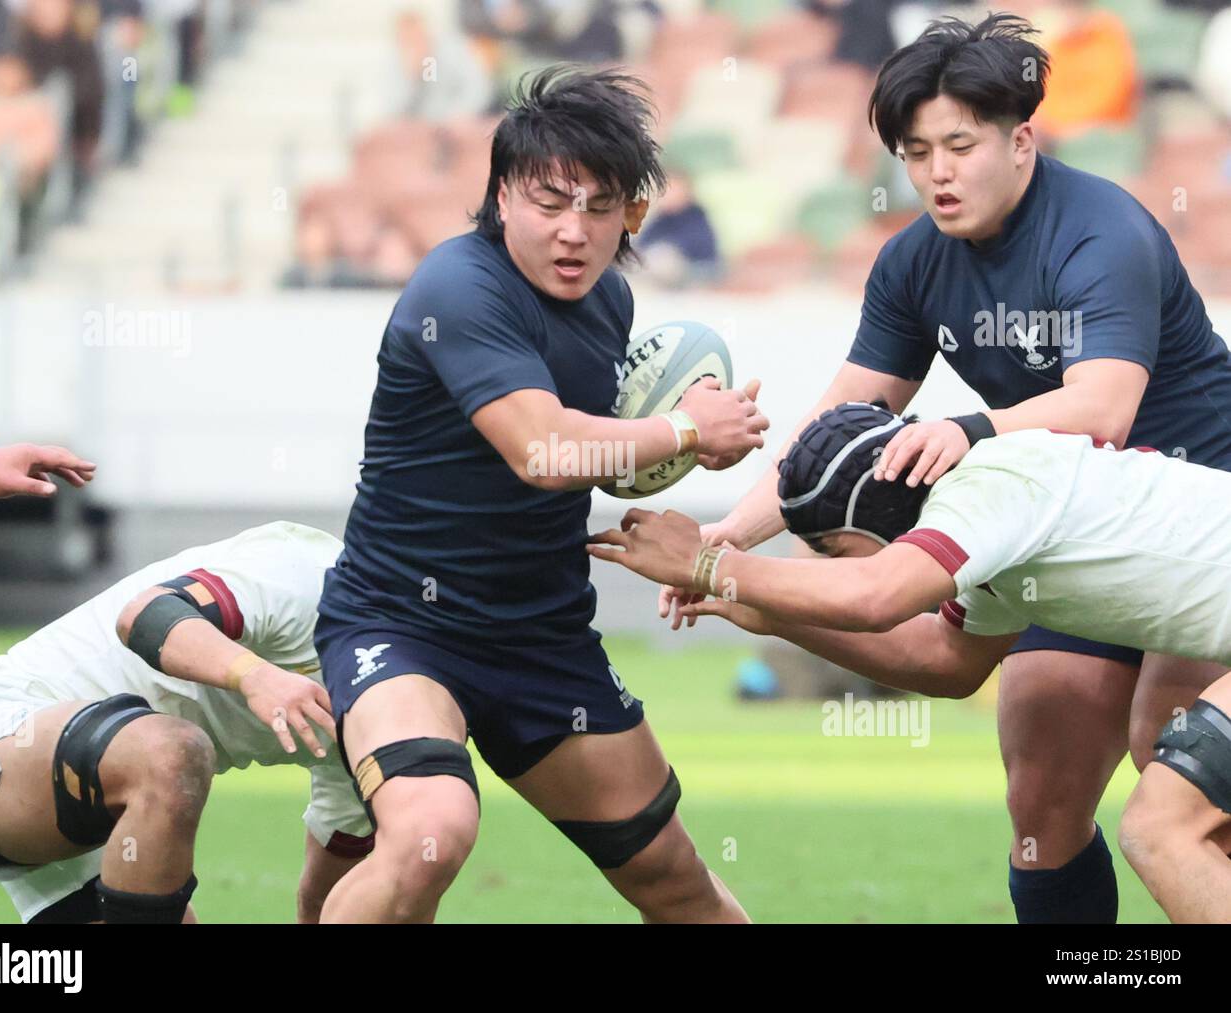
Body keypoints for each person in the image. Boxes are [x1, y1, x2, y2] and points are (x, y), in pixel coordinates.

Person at [663, 13, 1231, 924]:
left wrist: (974, 427)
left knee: (1163, 771)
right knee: (1040, 802)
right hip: (1050, 525)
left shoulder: (1102, 232)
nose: (937, 172)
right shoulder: (913, 262)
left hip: (1186, 525)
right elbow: (838, 427)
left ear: (1021, 140)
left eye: (960, 145)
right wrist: (731, 530)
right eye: (917, 151)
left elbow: (1104, 406)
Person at [314, 67, 767, 924]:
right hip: (403, 624)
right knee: (428, 835)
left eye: (601, 207)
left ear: (633, 212)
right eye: (550, 201)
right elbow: (541, 448)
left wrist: (673, 457)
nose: (574, 231)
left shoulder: (611, 298)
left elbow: (591, 444)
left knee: (675, 878)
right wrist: (683, 432)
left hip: (541, 637)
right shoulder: (458, 287)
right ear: (500, 197)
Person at [590, 400, 1231, 922]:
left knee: (1163, 829)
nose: (836, 571)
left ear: (885, 519)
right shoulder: (991, 533)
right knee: (1197, 838)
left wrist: (712, 564)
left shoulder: (991, 485)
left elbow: (875, 596)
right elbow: (948, 662)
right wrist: (779, 615)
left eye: (839, 552)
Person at [0, 521, 374, 923]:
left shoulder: (384, 718)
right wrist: (254, 676)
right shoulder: (304, 572)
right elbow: (146, 615)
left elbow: (329, 886)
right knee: (172, 752)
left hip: (101, 821)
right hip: (3, 742)